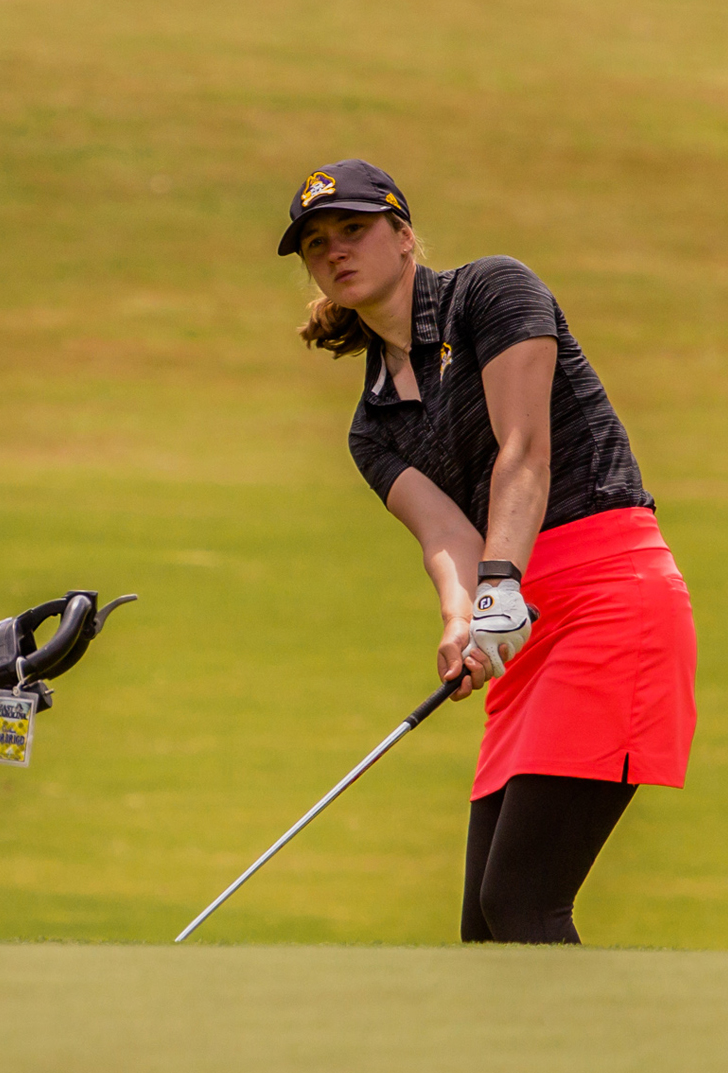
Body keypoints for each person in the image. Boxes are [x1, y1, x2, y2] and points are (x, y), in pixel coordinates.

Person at [277, 159, 697, 944]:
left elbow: (525, 451)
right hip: (524, 633)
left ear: (404, 237)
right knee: (485, 928)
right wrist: (460, 619)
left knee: (523, 904)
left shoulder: (493, 293)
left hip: (611, 600)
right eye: (316, 244)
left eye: (355, 229)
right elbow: (446, 538)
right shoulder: (372, 426)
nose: (335, 251)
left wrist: (499, 585)